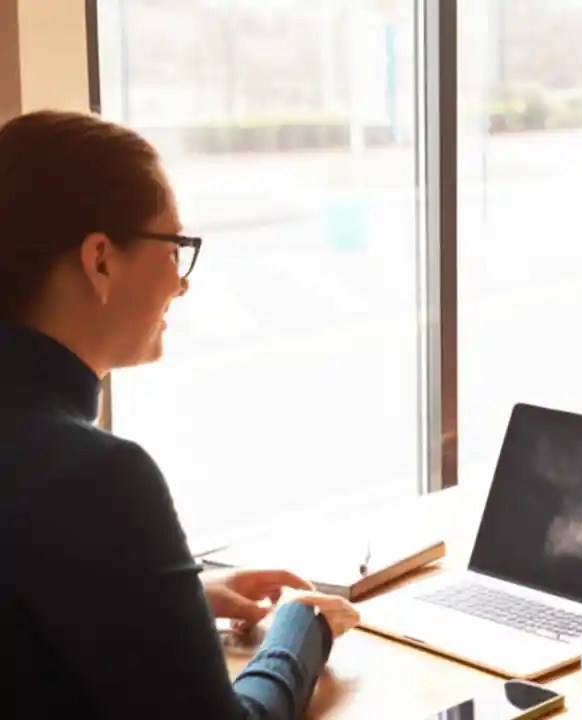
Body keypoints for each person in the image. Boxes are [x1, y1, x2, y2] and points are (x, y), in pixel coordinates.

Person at [0, 110, 360, 718]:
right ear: (101, 260)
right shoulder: (93, 477)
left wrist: (172, 601)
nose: (182, 283)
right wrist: (299, 632)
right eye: (174, 248)